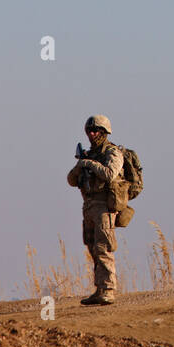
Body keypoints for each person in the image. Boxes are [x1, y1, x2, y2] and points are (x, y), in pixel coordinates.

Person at [66, 114, 125, 304]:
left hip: (104, 207)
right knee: (92, 248)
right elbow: (71, 180)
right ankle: (99, 290)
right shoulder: (89, 154)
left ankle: (108, 290)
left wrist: (89, 164)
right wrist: (80, 166)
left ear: (104, 132)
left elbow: (109, 174)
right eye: (89, 131)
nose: (91, 134)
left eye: (95, 131)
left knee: (103, 248)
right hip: (89, 205)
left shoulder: (112, 152)